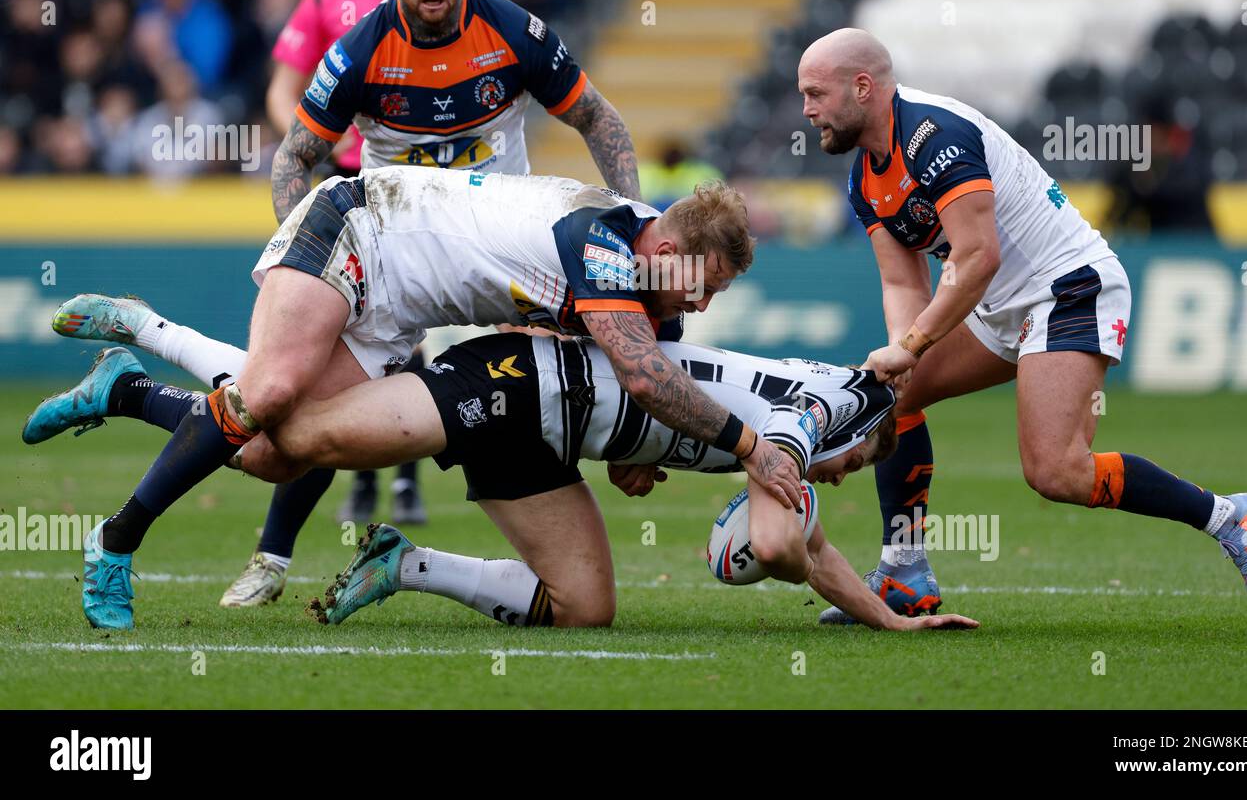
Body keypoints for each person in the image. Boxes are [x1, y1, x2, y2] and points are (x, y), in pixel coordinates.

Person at [34, 170, 807, 630]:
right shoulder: (600, 240)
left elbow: (623, 388)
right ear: (668, 253)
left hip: (402, 311)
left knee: (274, 451)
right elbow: (644, 377)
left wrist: (631, 457)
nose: (704, 306)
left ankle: (125, 382)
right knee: (266, 392)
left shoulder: (654, 287)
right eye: (706, 285)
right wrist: (753, 448)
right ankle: (116, 541)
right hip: (365, 223)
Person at [27, 327, 979, 634]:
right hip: (519, 385)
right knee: (293, 439)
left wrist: (652, 449)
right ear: (878, 433)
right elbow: (782, 528)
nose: (850, 479)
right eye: (862, 468)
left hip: (562, 424)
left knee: (586, 607)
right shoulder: (845, 410)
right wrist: (870, 598)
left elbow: (707, 400)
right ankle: (141, 364)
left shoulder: (823, 411)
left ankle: (403, 562)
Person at [797, 28, 1247, 620]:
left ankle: (1230, 515)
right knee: (890, 399)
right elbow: (903, 283)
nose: (807, 110)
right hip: (999, 304)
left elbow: (978, 257)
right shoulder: (862, 178)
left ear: (863, 87)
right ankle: (904, 574)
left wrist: (916, 344)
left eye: (816, 94)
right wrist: (903, 355)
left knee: (1057, 472)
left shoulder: (934, 137)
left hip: (1068, 288)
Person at [248, 0, 647, 607]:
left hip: (508, 256)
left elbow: (601, 119)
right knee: (303, 398)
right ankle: (272, 553)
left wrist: (634, 224)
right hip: (399, 264)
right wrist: (307, 262)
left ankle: (622, 463)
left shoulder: (516, 33)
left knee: (582, 355)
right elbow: (295, 157)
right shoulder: (358, 51)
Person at [264, 0, 428, 547]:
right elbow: (284, 87)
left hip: (415, 190)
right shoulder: (329, 0)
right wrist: (311, 142)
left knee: (409, 327)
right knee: (340, 334)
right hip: (344, 182)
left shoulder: (436, 2)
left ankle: (405, 470)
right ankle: (358, 472)